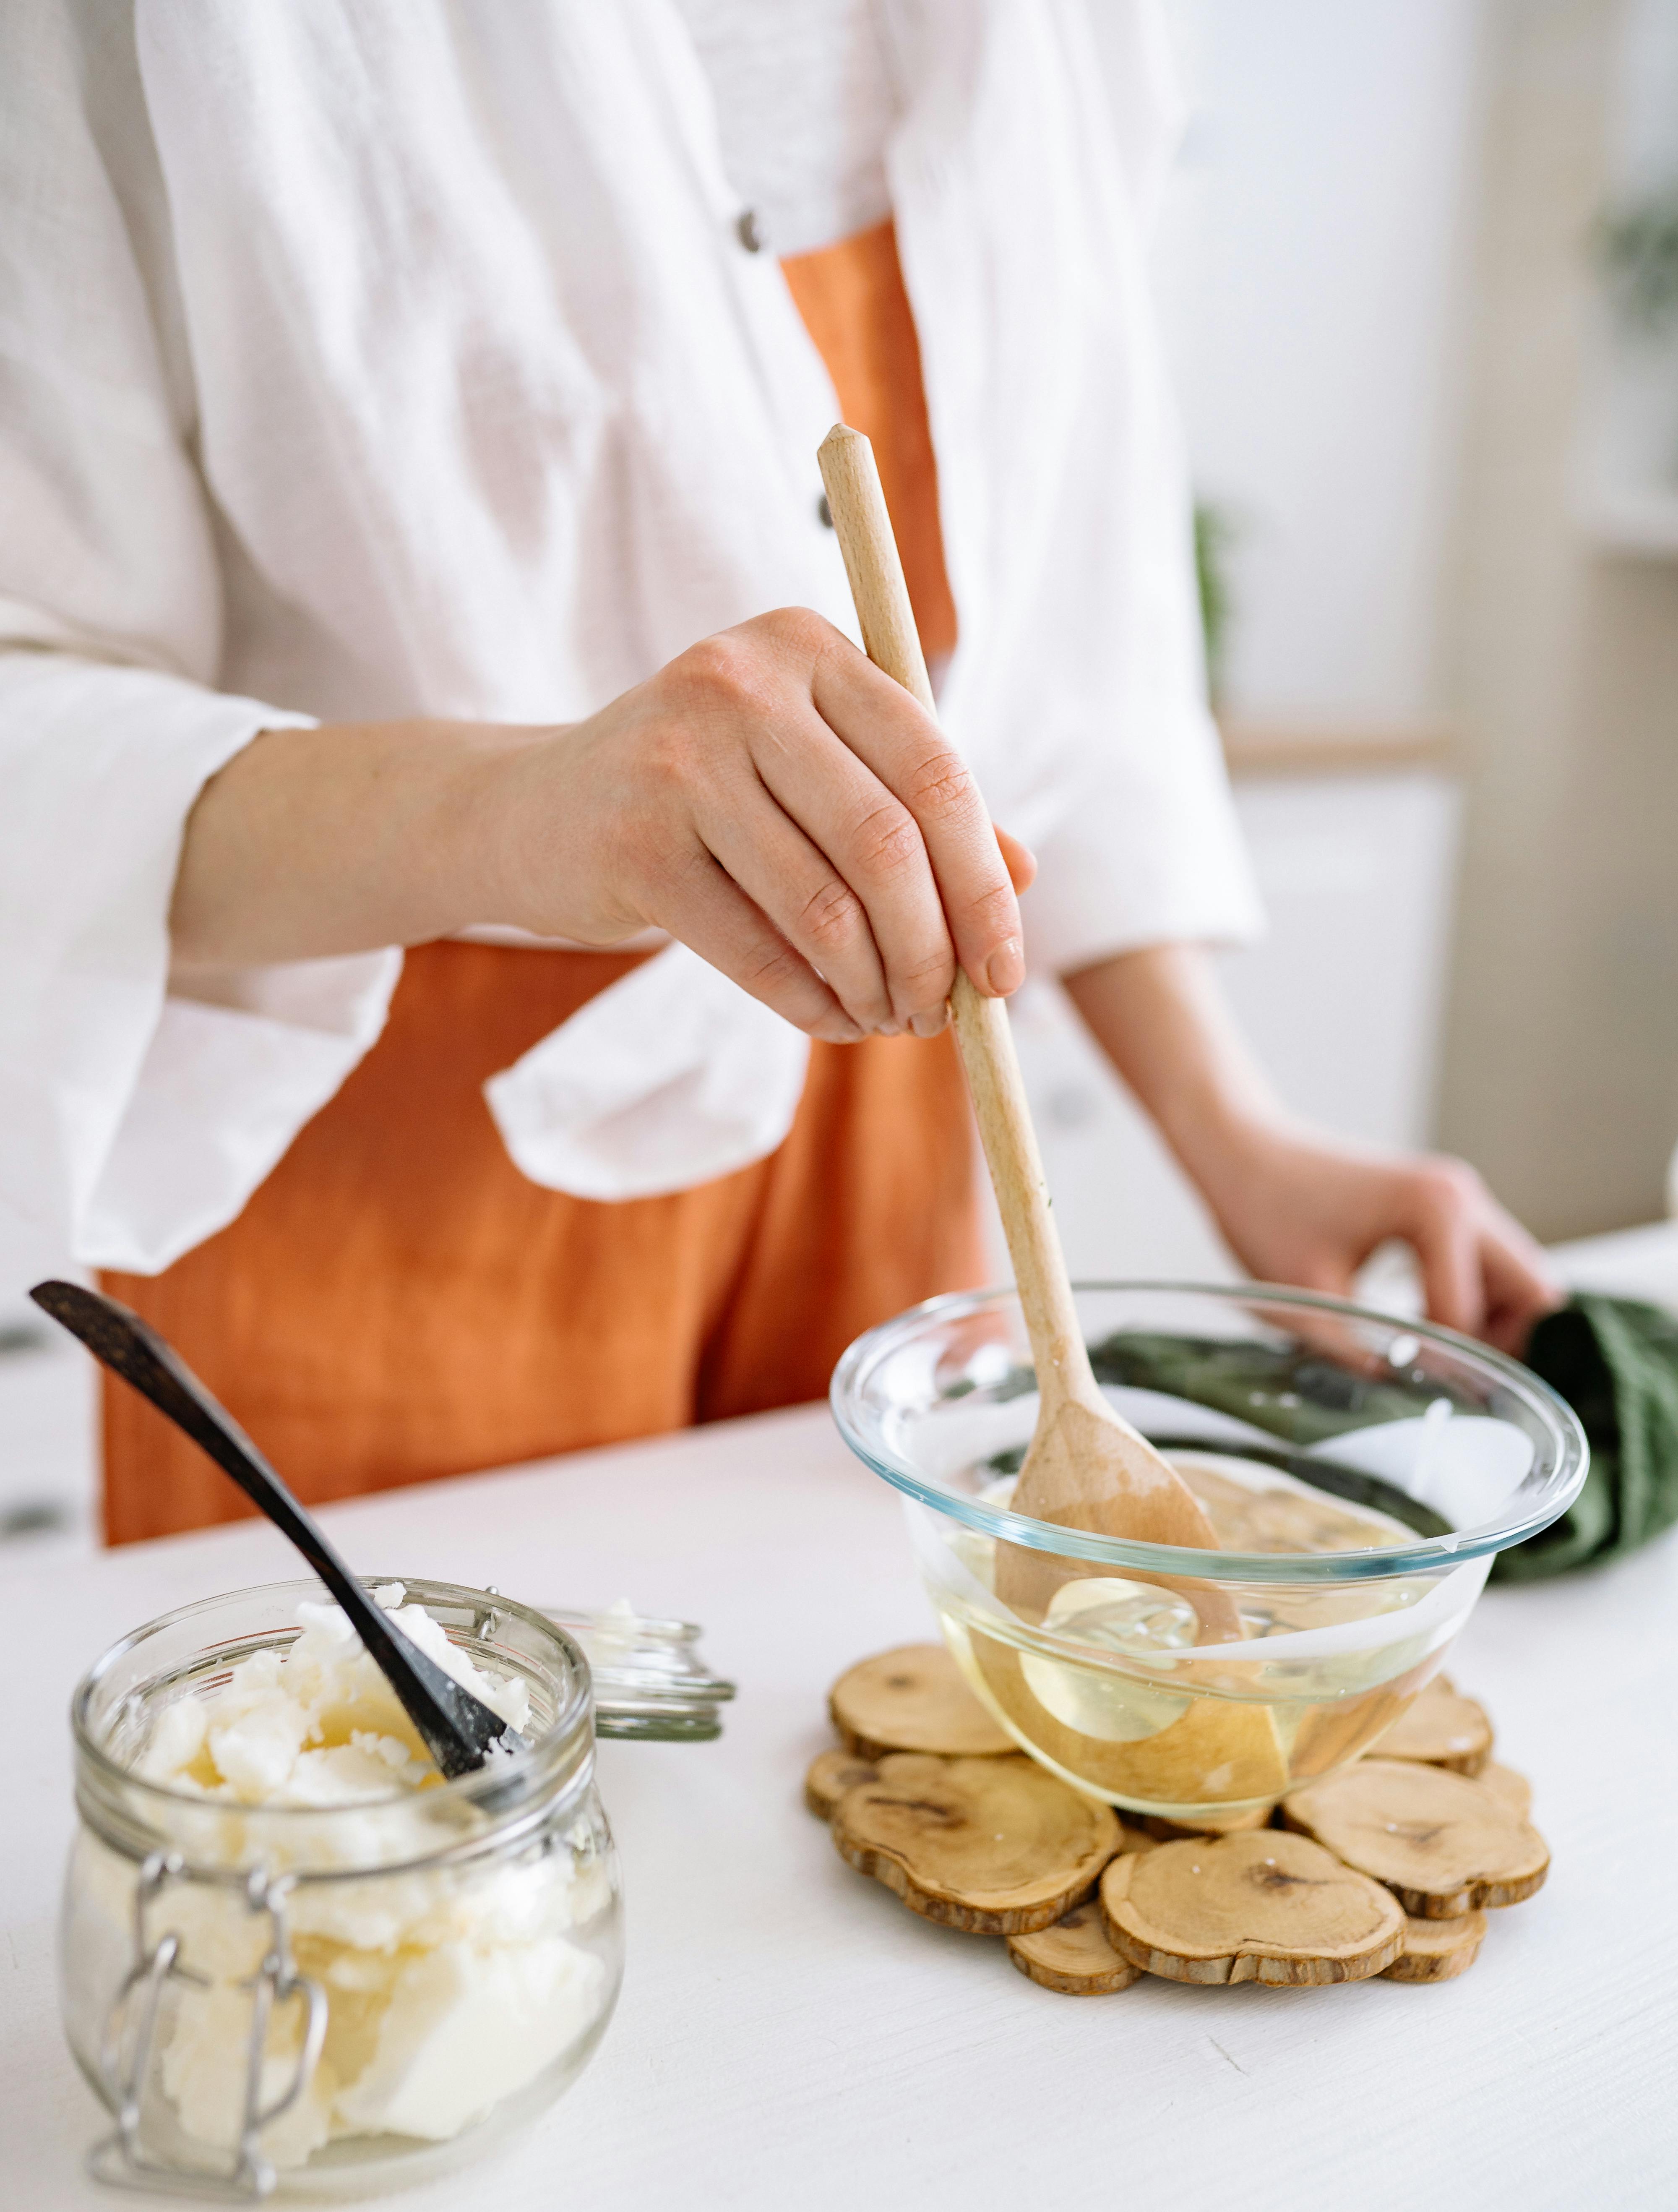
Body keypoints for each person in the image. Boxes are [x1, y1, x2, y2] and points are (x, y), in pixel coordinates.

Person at [0, 1, 1557, 1544]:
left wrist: (1234, 1132)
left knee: (870, 1758)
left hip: (897, 1096)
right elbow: (36, 711)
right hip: (398, 1149)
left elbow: (1070, 625)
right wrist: (532, 809)